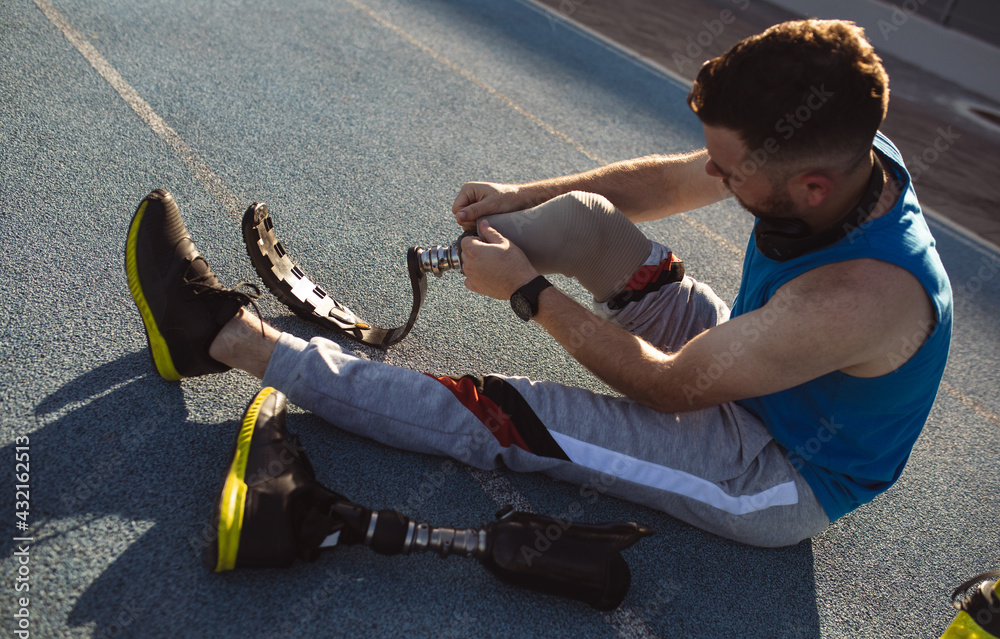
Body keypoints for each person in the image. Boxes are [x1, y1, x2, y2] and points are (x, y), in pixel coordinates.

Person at [125, 19, 951, 548]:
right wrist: (527, 199)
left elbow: (665, 388)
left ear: (811, 187)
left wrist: (528, 293)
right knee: (583, 217)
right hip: (755, 357)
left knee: (511, 416)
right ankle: (414, 300)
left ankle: (219, 336)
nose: (717, 179)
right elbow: (667, 185)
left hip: (769, 468)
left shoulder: (861, 298)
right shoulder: (842, 148)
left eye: (731, 174)